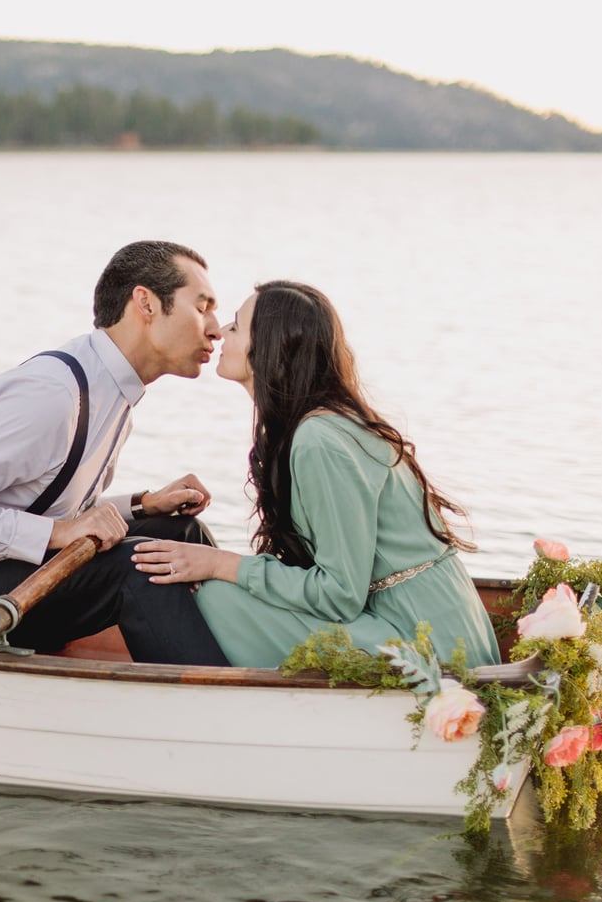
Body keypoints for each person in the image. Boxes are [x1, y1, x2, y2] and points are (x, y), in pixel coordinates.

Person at [0, 240, 231, 665]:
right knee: (132, 570)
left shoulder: (113, 393)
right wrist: (62, 534)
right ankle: (215, 702)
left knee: (178, 535)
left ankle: (246, 661)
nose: (215, 328)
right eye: (202, 306)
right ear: (146, 303)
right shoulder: (52, 394)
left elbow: (53, 504)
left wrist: (142, 505)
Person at [130, 280, 502, 668]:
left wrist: (219, 564)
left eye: (237, 327)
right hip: (414, 616)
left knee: (213, 596)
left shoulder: (319, 439)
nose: (222, 331)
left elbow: (339, 593)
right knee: (221, 587)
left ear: (272, 347)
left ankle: (208, 711)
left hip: (426, 639)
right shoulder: (313, 429)